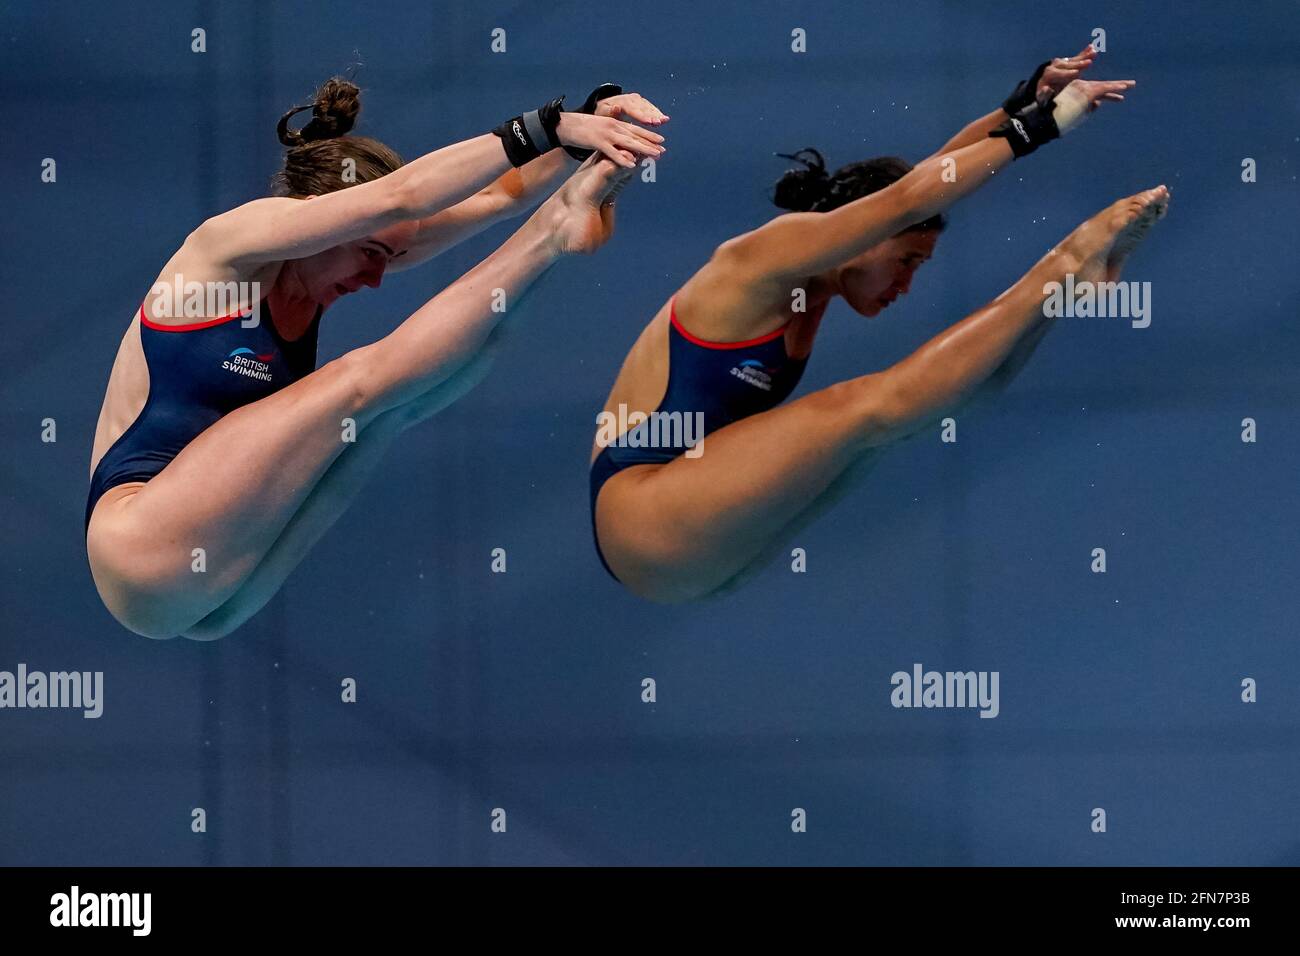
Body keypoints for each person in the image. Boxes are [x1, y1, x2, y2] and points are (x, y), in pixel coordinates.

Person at [87, 77, 666, 639]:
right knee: (358, 383)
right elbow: (403, 195)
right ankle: (555, 230)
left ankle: (557, 229)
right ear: (322, 216)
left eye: (387, 257)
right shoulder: (225, 246)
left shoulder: (334, 259)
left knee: (414, 398)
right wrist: (551, 121)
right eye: (369, 252)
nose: (375, 277)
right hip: (140, 542)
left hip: (215, 598)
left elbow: (494, 195)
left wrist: (583, 139)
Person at [589, 48, 1159, 602]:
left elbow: (920, 188)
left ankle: (1062, 294)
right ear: (864, 238)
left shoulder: (818, 281)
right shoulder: (764, 258)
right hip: (642, 511)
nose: (906, 285)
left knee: (934, 410)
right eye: (906, 261)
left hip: (698, 553)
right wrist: (1041, 127)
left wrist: (1014, 108)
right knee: (864, 406)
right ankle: (1066, 264)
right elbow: (907, 199)